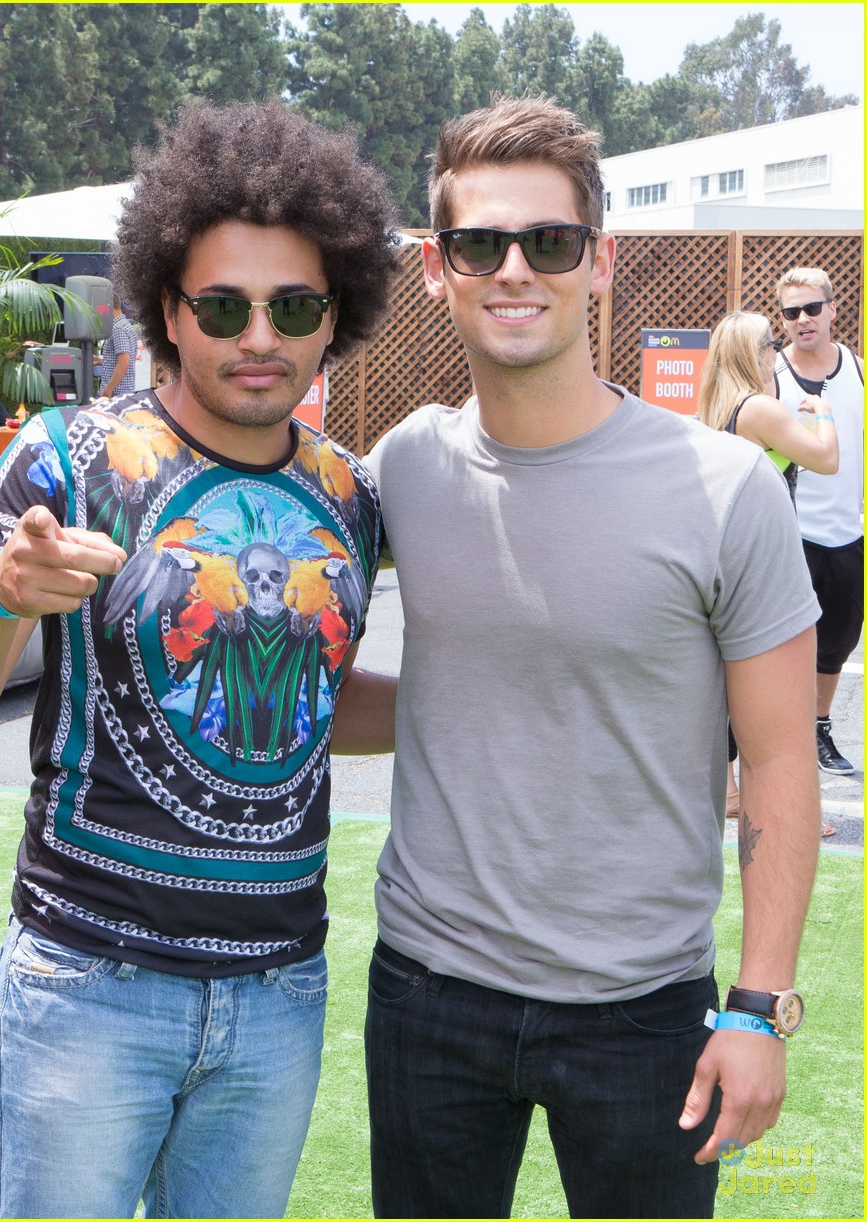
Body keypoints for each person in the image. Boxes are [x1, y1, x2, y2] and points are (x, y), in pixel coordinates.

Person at [0, 99, 399, 1220]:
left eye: (294, 306)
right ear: (168, 308)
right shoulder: (62, 462)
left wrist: (462, 703)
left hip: (279, 989)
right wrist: (0, 596)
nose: (258, 336)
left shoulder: (349, 495)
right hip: (90, 986)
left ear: (338, 317)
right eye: (222, 305)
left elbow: (314, 705)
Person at [339, 96, 822, 1219]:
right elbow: (316, 665)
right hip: (425, 991)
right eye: (479, 244)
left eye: (548, 242)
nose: (515, 269)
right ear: (434, 268)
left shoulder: (725, 487)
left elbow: (780, 765)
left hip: (645, 1008)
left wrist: (757, 1006)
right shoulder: (404, 465)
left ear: (597, 263)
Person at [697, 309, 838, 834]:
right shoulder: (758, 407)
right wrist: (822, 411)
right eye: (771, 344)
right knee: (782, 700)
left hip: (733, 565)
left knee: (738, 692)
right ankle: (794, 814)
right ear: (753, 354)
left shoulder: (720, 406)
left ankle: (733, 793)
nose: (777, 353)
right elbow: (827, 459)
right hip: (765, 569)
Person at [773, 268, 864, 776]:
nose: (802, 320)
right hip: (789, 531)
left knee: (840, 639)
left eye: (811, 308)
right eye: (791, 313)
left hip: (847, 530)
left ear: (833, 309)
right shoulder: (773, 373)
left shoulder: (856, 367)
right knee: (786, 642)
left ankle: (820, 727)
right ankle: (782, 736)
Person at [94, 292, 140, 398]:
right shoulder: (126, 326)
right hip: (124, 392)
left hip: (115, 394)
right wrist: (101, 361)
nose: (99, 313)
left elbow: (124, 363)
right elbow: (123, 360)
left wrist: (108, 390)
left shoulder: (118, 329)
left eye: (100, 308)